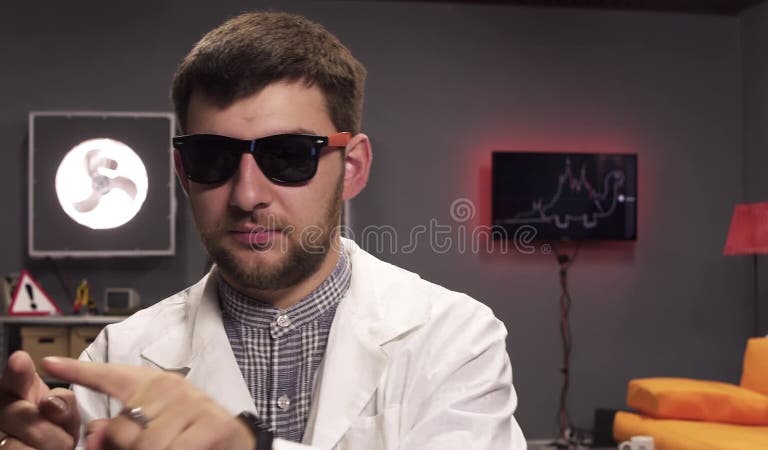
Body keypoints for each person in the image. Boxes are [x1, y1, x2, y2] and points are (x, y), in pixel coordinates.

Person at [0, 11, 526, 450]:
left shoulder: (456, 338)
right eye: (212, 157)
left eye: (289, 156)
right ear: (185, 174)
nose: (247, 195)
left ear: (353, 167)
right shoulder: (121, 355)